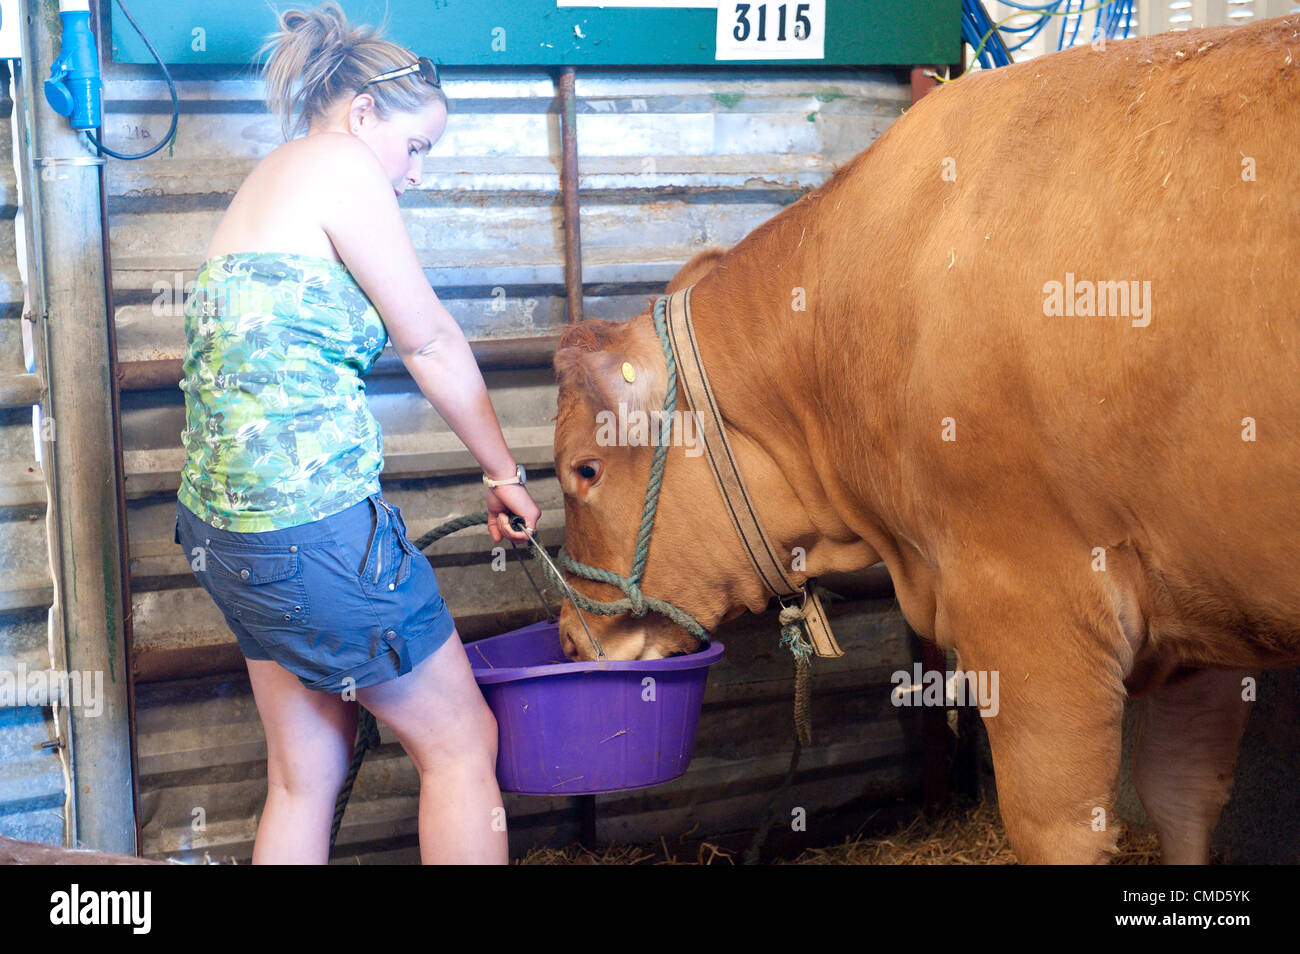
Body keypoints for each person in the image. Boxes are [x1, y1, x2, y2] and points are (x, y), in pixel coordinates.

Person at [172, 2, 541, 865]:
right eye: (416, 149)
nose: (415, 175)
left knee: (305, 773)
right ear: (365, 113)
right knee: (461, 745)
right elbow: (431, 341)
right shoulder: (343, 164)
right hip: (314, 534)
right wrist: (502, 472)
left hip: (224, 534)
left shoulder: (272, 180)